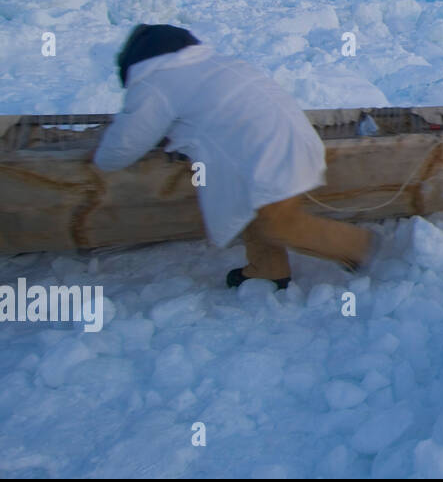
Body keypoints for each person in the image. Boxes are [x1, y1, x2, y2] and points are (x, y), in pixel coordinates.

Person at [93, 24, 374, 289]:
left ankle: (357, 246)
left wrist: (95, 159)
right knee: (250, 209)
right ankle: (268, 270)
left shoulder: (156, 82)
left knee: (279, 223)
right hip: (289, 137)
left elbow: (123, 146)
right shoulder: (214, 64)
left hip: (266, 151)